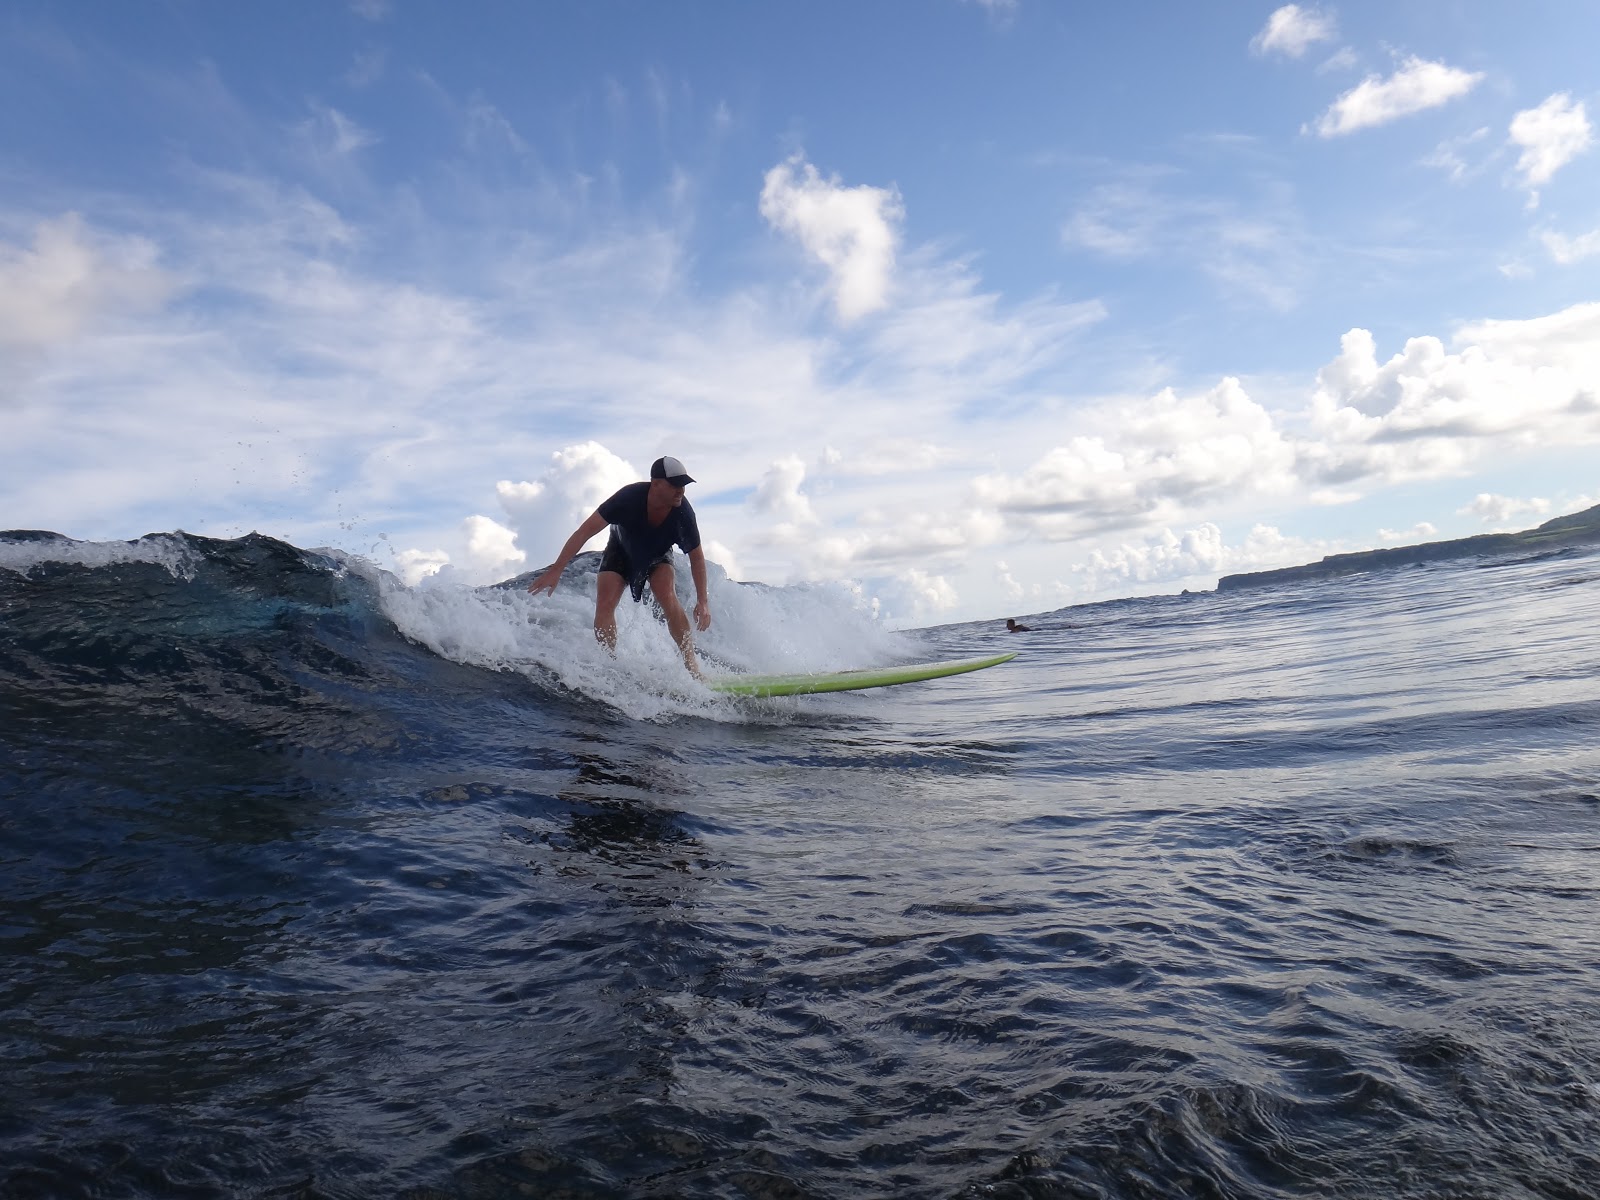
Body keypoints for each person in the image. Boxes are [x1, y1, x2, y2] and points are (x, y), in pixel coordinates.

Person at [527, 456, 712, 677]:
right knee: (605, 603)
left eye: (683, 484)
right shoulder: (627, 498)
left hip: (658, 555)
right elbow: (584, 531)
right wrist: (557, 569)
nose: (680, 490)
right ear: (656, 484)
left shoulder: (683, 514)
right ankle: (610, 664)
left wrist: (703, 601)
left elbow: (697, 559)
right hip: (620, 550)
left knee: (666, 594)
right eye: (675, 484)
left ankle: (692, 667)